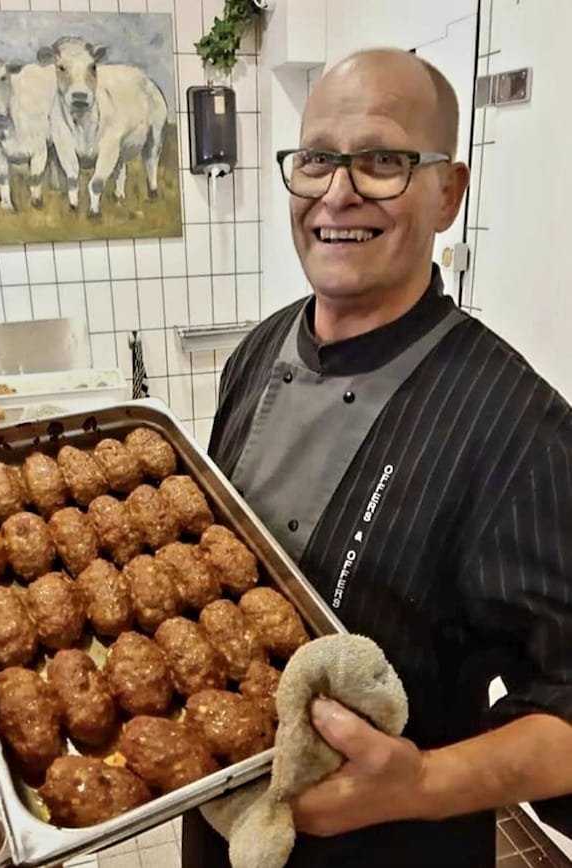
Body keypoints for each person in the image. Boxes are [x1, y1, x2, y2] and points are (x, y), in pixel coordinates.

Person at [181, 48, 572, 868]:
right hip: (219, 836)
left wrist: (422, 783)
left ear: (449, 193)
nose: (337, 192)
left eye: (384, 161)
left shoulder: (517, 427)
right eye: (317, 157)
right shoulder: (255, 354)